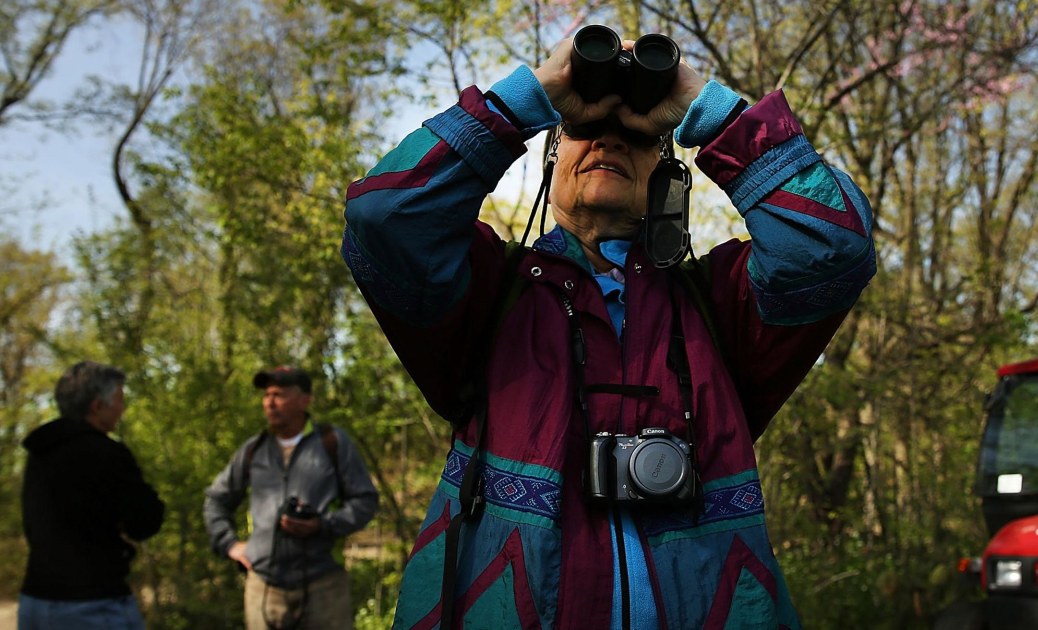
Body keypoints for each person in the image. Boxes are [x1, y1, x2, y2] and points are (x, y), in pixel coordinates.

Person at [342, 28, 877, 630]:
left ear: (666, 177)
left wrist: (710, 111)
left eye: (639, 136)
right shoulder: (490, 289)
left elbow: (835, 246)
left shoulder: (719, 306)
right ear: (551, 161)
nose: (610, 139)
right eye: (583, 127)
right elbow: (383, 217)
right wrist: (526, 100)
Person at [203, 366, 380, 630]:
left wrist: (324, 525)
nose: (270, 402)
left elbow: (365, 500)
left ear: (304, 400)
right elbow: (216, 500)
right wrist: (229, 544)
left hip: (324, 586)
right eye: (266, 395)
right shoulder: (254, 449)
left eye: (279, 395)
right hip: (263, 588)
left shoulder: (331, 442)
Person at [19, 361, 164, 630]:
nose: (122, 408)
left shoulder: (39, 452)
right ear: (97, 406)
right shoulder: (107, 453)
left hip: (35, 602)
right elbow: (145, 521)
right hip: (93, 604)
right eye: (119, 400)